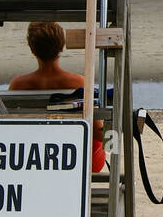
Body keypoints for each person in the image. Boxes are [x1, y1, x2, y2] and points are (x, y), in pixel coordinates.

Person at [9, 21, 107, 172]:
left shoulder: (18, 85)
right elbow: (99, 134)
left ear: (32, 49)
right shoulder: (79, 82)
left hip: (35, 154)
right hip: (78, 156)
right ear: (61, 47)